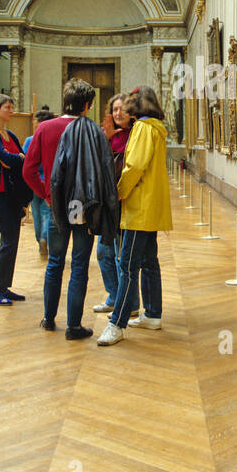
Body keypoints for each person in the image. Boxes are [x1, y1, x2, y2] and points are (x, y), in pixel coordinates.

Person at [23, 79, 115, 340]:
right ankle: (74, 325)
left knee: (54, 262)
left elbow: (28, 170)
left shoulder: (45, 128)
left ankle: (48, 318)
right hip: (82, 206)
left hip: (57, 206)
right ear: (86, 105)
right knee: (79, 266)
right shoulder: (93, 131)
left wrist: (46, 194)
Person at [98, 86, 172, 347]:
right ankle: (152, 313)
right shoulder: (157, 128)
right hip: (151, 207)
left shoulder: (141, 128)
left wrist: (117, 193)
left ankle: (116, 324)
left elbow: (134, 167)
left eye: (130, 103)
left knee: (128, 266)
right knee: (150, 261)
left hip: (138, 206)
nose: (126, 108)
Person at [94, 92, 148, 316]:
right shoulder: (109, 135)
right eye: (114, 109)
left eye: (122, 109)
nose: (118, 113)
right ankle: (115, 295)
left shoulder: (136, 135)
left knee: (120, 255)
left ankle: (131, 303)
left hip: (125, 202)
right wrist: (105, 139)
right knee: (103, 253)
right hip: (107, 202)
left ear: (132, 111)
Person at [0, 94, 33, 305]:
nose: (11, 111)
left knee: (13, 241)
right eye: (7, 107)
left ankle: (4, 287)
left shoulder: (9, 134)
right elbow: (7, 158)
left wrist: (15, 160)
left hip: (12, 191)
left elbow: (22, 159)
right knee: (8, 240)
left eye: (12, 107)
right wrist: (15, 159)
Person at [25, 106, 55, 258]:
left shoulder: (30, 140)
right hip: (49, 183)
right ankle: (45, 237)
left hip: (33, 183)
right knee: (46, 213)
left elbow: (26, 162)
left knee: (36, 213)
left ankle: (40, 239)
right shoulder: (53, 138)